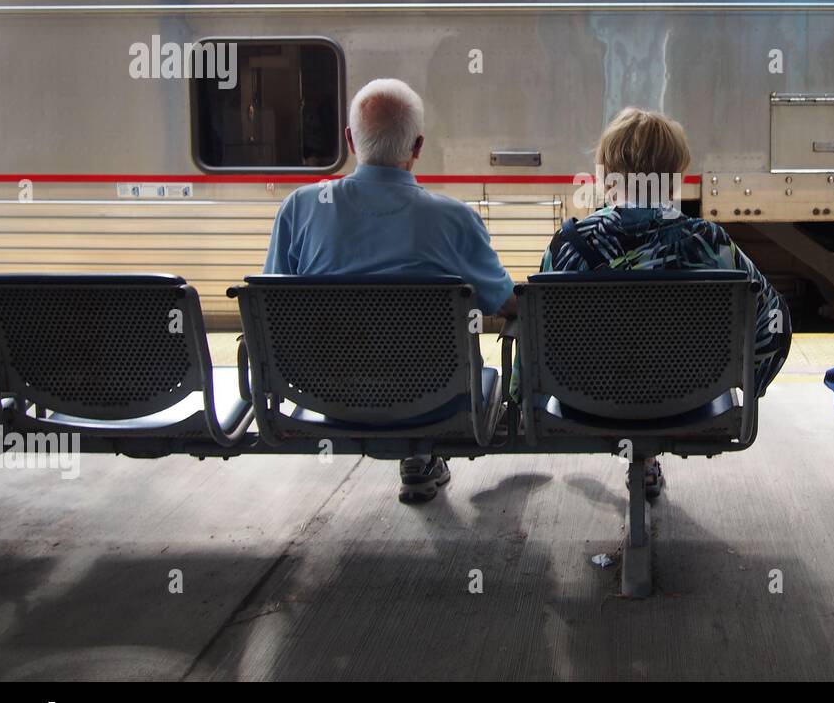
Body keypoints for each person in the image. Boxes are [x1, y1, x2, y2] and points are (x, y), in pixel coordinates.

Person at [263, 78, 515, 504]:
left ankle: (418, 459)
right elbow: (504, 303)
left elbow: (272, 310)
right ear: (417, 146)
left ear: (349, 140)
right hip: (432, 399)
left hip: (326, 394)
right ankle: (418, 454)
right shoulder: (453, 220)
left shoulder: (300, 209)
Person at [534, 107, 791, 500]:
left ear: (607, 175)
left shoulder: (567, 245)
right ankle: (651, 452)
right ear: (674, 177)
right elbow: (772, 319)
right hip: (690, 398)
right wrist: (746, 382)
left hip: (586, 399)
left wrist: (526, 400)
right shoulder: (709, 242)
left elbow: (537, 335)